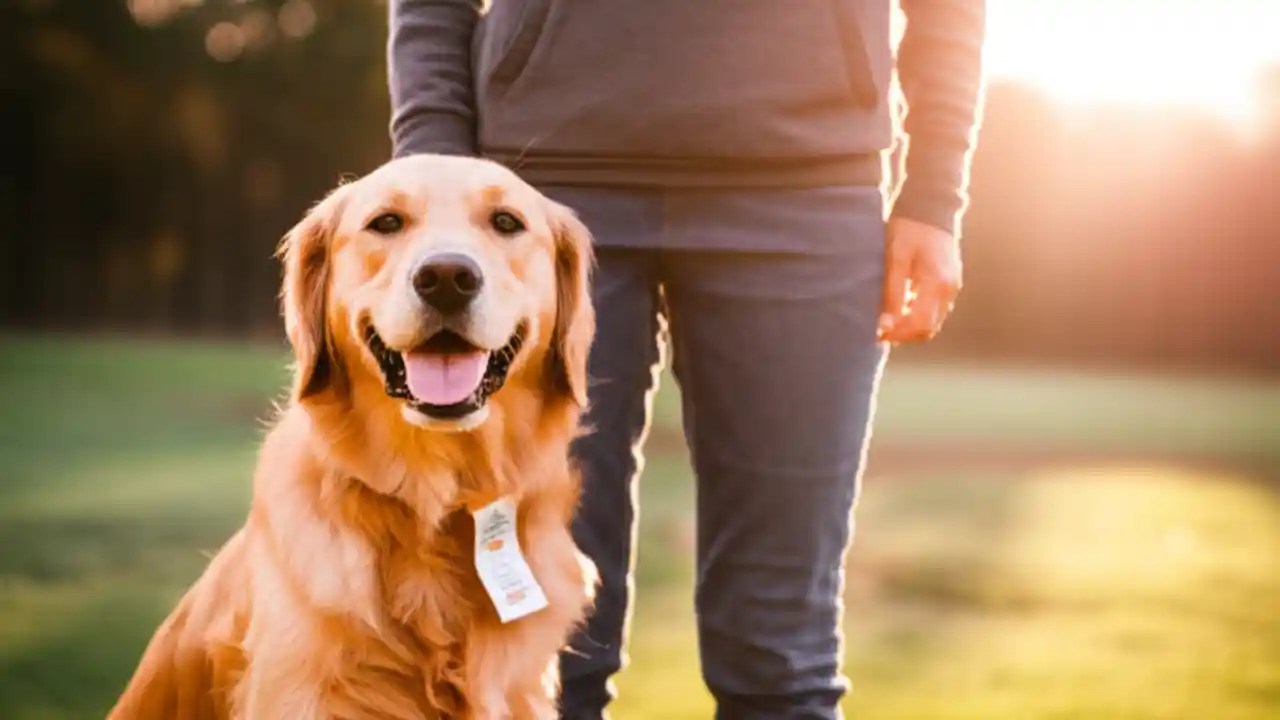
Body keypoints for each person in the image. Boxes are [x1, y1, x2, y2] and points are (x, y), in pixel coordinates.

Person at [388, 1, 985, 717]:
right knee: (532, 643)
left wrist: (935, 191)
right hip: (538, 191)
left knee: (780, 656)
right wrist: (434, 175)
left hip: (806, 190)